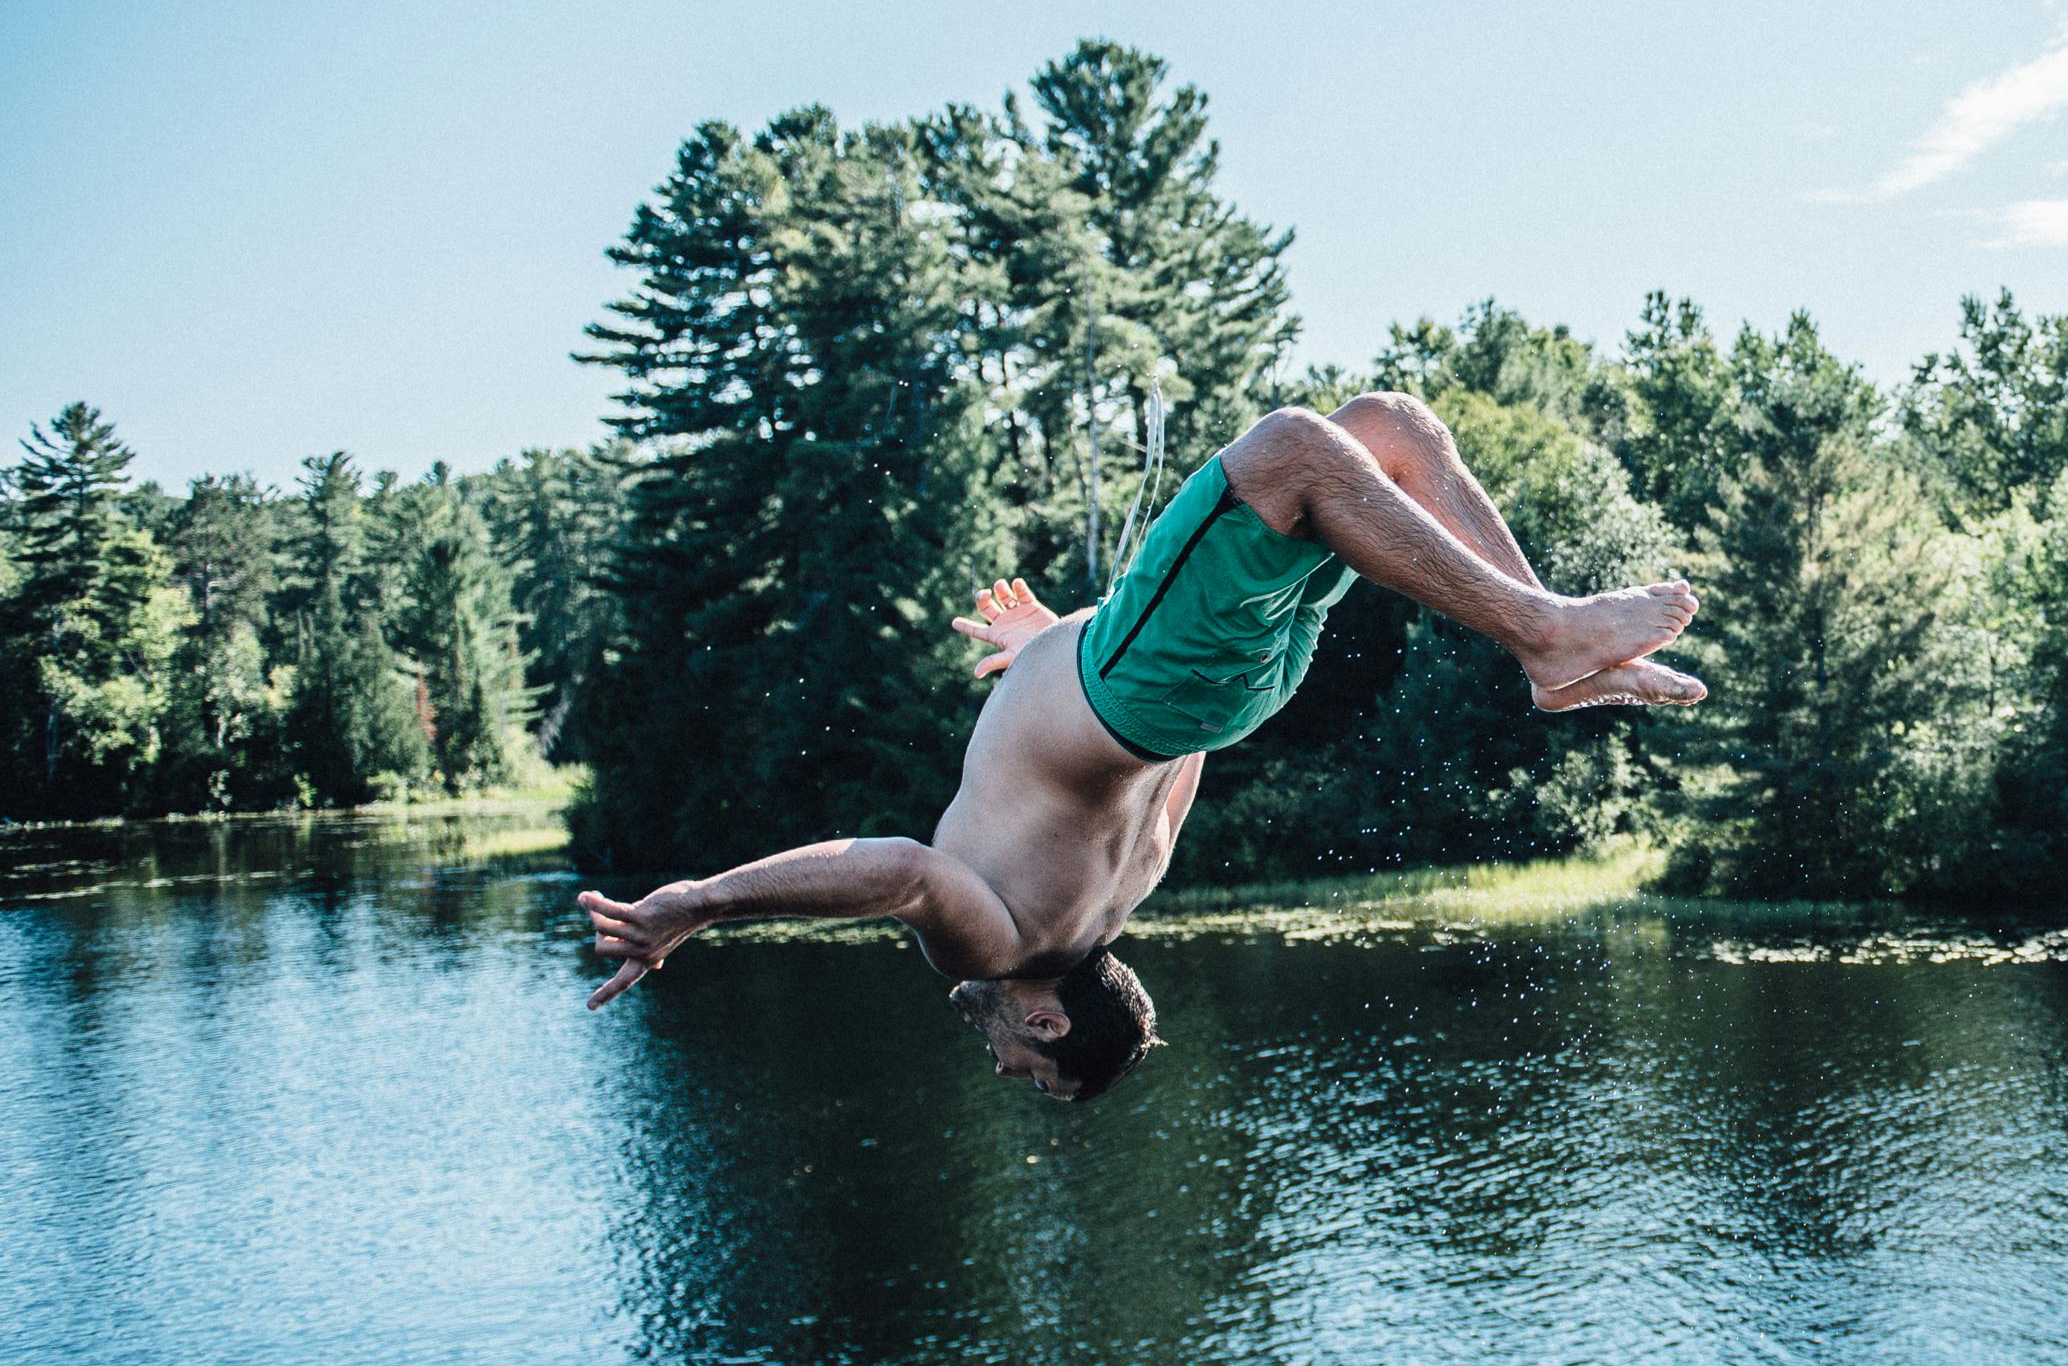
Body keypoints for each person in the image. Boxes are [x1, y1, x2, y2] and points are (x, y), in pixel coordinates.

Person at [575, 392, 1705, 1099]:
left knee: (1388, 434)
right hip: (1151, 684)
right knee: (1296, 451)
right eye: (1026, 1065)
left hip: (1225, 702)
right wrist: (703, 902)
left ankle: (1540, 643)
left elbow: (1148, 751)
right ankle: (1545, 636)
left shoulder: (1123, 890)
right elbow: (902, 870)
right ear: (1052, 1018)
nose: (1001, 1060)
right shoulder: (990, 952)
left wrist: (1040, 653)